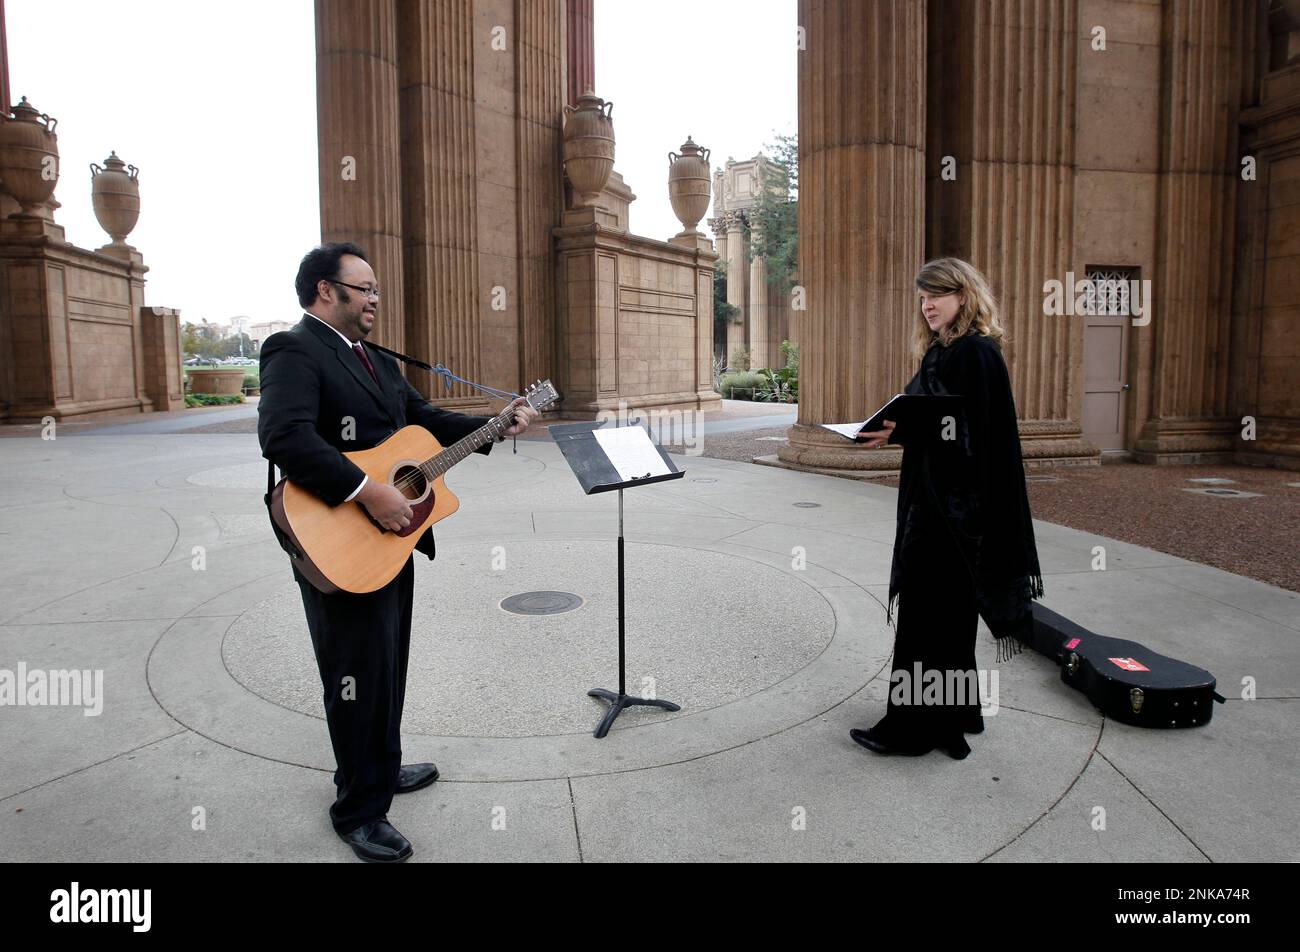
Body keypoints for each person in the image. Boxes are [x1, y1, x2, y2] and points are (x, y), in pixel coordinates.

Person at [258, 242, 538, 862]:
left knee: (385, 664)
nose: (375, 300)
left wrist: (495, 422)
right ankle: (358, 811)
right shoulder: (293, 349)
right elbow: (284, 436)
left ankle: (378, 769)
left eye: (376, 290)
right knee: (354, 672)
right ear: (325, 291)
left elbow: (422, 419)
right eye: (365, 289)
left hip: (392, 539)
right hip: (338, 540)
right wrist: (366, 492)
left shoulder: (373, 359)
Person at [850, 257, 1043, 760]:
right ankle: (955, 718)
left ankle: (911, 731)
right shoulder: (947, 351)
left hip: (953, 516)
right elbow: (941, 423)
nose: (927, 305)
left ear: (964, 295)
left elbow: (969, 436)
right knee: (948, 620)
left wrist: (904, 429)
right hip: (948, 509)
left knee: (926, 620)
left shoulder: (973, 353)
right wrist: (894, 430)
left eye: (936, 294)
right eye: (922, 297)